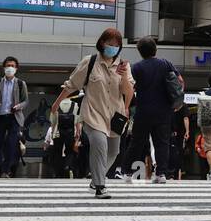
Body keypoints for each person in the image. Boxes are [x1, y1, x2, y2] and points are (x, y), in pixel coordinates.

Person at [52, 28, 133, 199]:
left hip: (115, 115)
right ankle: (100, 187)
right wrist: (56, 103)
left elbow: (128, 92)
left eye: (117, 45)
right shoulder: (90, 62)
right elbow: (71, 85)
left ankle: (94, 180)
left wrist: (124, 76)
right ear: (102, 43)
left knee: (114, 151)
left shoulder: (123, 66)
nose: (113, 48)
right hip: (93, 112)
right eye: (110, 44)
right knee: (99, 143)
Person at [129, 36, 180, 184]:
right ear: (155, 49)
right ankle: (161, 174)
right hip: (164, 111)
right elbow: (179, 81)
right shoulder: (165, 64)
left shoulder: (137, 67)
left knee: (137, 142)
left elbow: (130, 88)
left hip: (143, 109)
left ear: (140, 52)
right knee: (162, 142)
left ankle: (126, 171)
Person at [0, 56, 28, 178]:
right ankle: (2, 167)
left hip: (14, 117)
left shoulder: (21, 84)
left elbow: (26, 101)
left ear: (16, 68)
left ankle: (5, 170)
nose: (10, 68)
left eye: (12, 66)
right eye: (8, 65)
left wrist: (18, 106)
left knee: (12, 144)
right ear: (4, 68)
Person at [46, 95, 81, 178]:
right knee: (70, 151)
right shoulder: (75, 105)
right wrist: (78, 132)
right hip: (71, 132)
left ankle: (58, 172)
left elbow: (52, 121)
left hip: (58, 132)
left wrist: (52, 134)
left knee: (57, 152)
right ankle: (68, 166)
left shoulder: (56, 104)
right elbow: (77, 121)